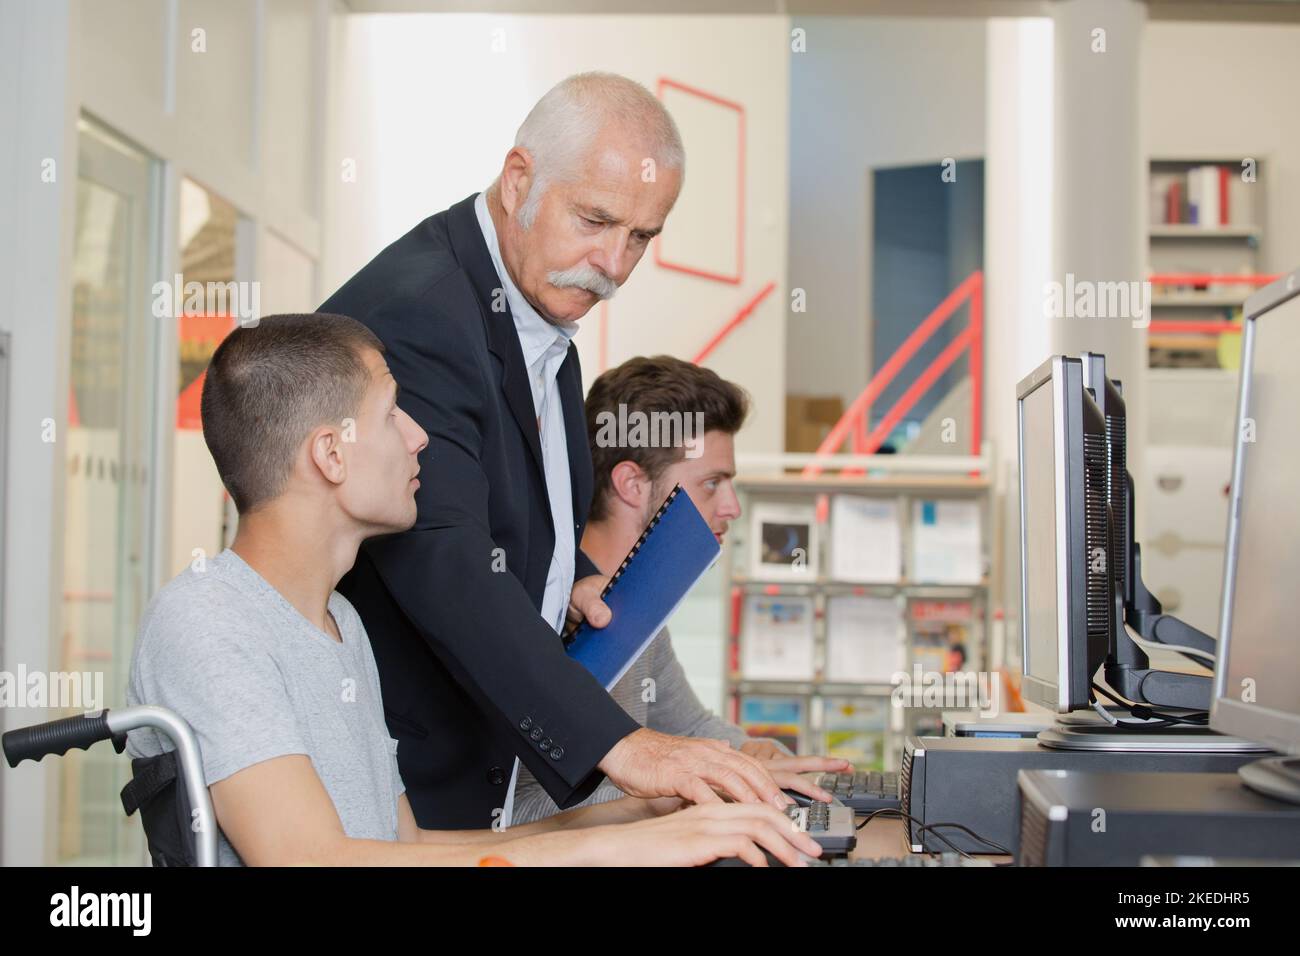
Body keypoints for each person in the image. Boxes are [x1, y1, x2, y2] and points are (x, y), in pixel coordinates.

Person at [125, 313, 824, 866]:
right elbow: (313, 861)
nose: (421, 436)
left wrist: (644, 814)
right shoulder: (208, 621)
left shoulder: (338, 620)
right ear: (330, 453)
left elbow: (407, 848)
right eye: (393, 413)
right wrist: (618, 849)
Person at [319, 72, 798, 829]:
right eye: (595, 219)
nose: (614, 263)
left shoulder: (531, 302)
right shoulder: (421, 316)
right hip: (398, 790)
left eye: (641, 236)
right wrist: (623, 744)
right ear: (518, 182)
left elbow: (508, 499)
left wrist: (564, 575)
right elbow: (444, 558)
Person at [511, 356, 850, 823]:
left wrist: (756, 755)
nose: (731, 507)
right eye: (712, 484)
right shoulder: (544, 609)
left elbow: (689, 728)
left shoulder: (642, 608)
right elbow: (514, 810)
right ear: (631, 483)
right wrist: (685, 789)